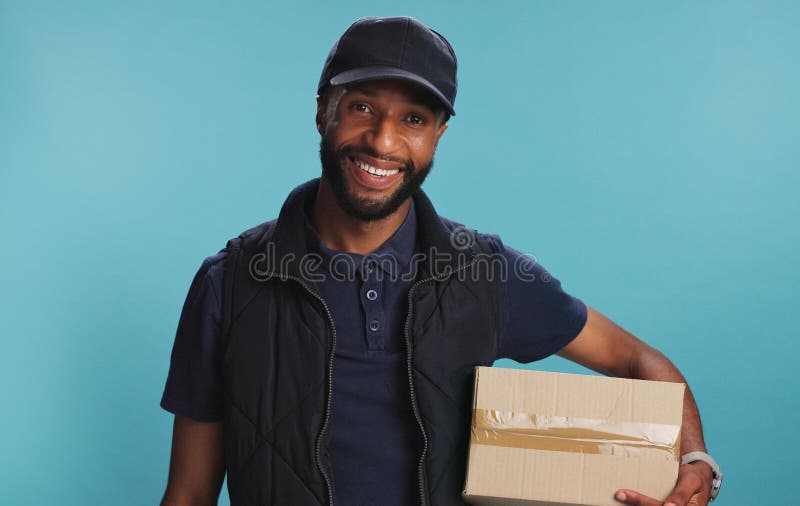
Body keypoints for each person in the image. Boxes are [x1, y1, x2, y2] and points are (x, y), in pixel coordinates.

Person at [159, 16, 721, 506]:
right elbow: (189, 493)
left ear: (438, 136)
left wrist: (694, 457)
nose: (382, 141)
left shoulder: (486, 273)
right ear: (322, 112)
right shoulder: (230, 283)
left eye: (413, 120)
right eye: (361, 108)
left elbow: (636, 359)